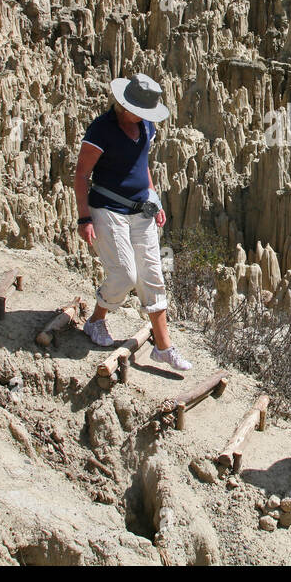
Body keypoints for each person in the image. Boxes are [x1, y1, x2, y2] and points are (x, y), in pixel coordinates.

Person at [74, 72, 192, 372]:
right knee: (125, 274)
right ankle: (96, 320)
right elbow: (81, 175)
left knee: (153, 274)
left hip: (142, 211)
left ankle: (164, 348)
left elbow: (143, 165)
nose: (143, 117)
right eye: (138, 112)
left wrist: (154, 198)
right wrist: (84, 217)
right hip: (108, 210)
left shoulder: (147, 126)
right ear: (123, 105)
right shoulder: (102, 130)